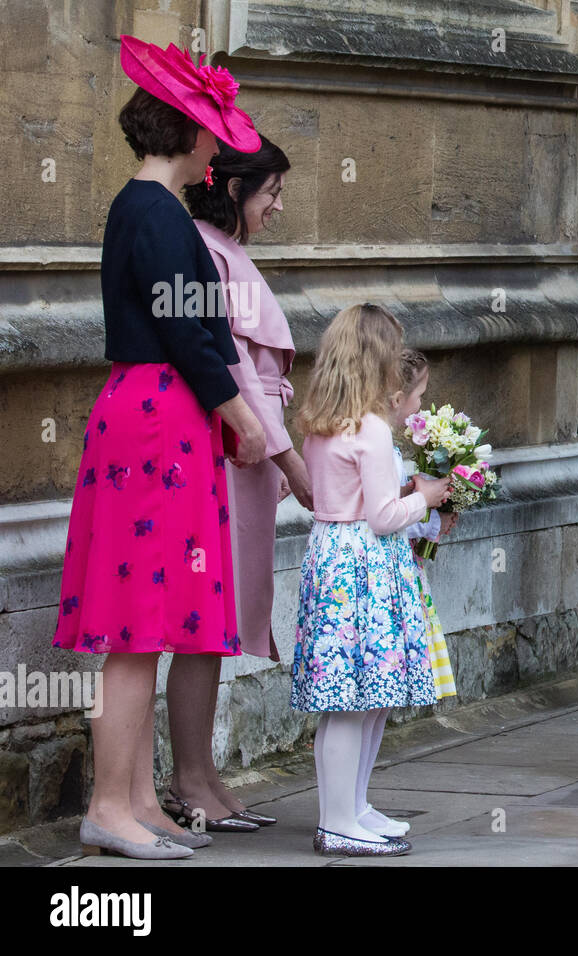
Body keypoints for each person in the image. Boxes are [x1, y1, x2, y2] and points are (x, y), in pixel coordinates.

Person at [53, 35, 266, 859]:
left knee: (148, 622)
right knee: (137, 628)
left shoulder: (152, 209)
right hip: (155, 418)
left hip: (155, 417)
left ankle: (138, 800)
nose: (219, 143)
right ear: (184, 129)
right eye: (211, 127)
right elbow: (184, 329)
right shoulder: (153, 210)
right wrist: (242, 416)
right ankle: (110, 805)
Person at [162, 136, 311, 833]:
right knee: (201, 621)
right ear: (232, 189)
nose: (278, 206)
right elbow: (241, 376)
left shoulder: (229, 252)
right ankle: (188, 777)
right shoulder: (209, 251)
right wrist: (292, 463)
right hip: (227, 458)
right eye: (270, 192)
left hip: (244, 460)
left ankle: (204, 775)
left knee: (216, 625)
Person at [292, 304, 452, 856]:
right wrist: (426, 497)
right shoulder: (373, 431)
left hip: (332, 560)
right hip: (364, 568)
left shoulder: (321, 427)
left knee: (354, 699)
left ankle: (352, 809)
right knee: (354, 703)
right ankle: (338, 820)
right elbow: (384, 515)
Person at [395, 348, 459, 713]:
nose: (421, 405)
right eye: (419, 396)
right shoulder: (376, 445)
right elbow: (385, 516)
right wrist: (433, 516)